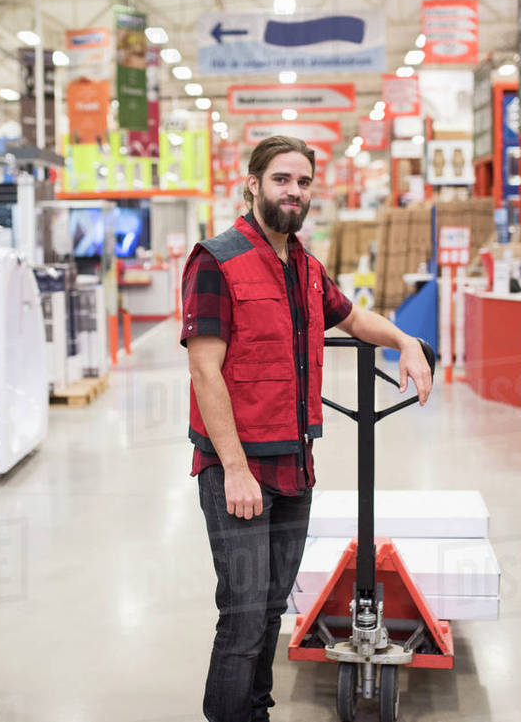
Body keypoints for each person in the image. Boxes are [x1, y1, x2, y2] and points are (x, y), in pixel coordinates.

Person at [180, 135, 434, 722]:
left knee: (272, 609)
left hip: (295, 465)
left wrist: (404, 341)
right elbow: (204, 369)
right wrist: (236, 470)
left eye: (303, 182)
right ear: (253, 184)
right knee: (242, 616)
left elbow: (351, 317)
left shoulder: (305, 266)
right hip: (238, 472)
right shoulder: (215, 260)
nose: (293, 192)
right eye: (281, 180)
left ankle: (257, 711)